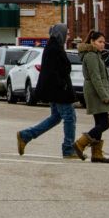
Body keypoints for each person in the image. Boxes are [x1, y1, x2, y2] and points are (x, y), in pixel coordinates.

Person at [16, 23, 83, 160]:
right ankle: (68, 149)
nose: (68, 37)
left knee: (56, 117)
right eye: (67, 33)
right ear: (60, 33)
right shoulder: (54, 48)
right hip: (59, 91)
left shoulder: (54, 46)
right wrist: (62, 85)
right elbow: (53, 71)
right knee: (70, 117)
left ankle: (26, 135)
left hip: (55, 90)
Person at [73, 31, 109, 163]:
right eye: (99, 42)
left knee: (100, 123)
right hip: (95, 92)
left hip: (96, 91)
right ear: (92, 42)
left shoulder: (95, 55)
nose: (102, 45)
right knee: (104, 124)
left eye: (103, 42)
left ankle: (96, 154)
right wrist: (104, 95)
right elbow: (96, 78)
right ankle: (80, 143)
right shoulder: (91, 56)